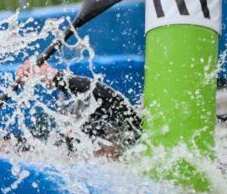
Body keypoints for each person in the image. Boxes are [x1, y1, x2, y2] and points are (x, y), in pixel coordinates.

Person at [14, 58, 142, 158]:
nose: (104, 155)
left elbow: (112, 101)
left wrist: (56, 77)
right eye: (100, 150)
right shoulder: (66, 154)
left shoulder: (134, 140)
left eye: (105, 148)